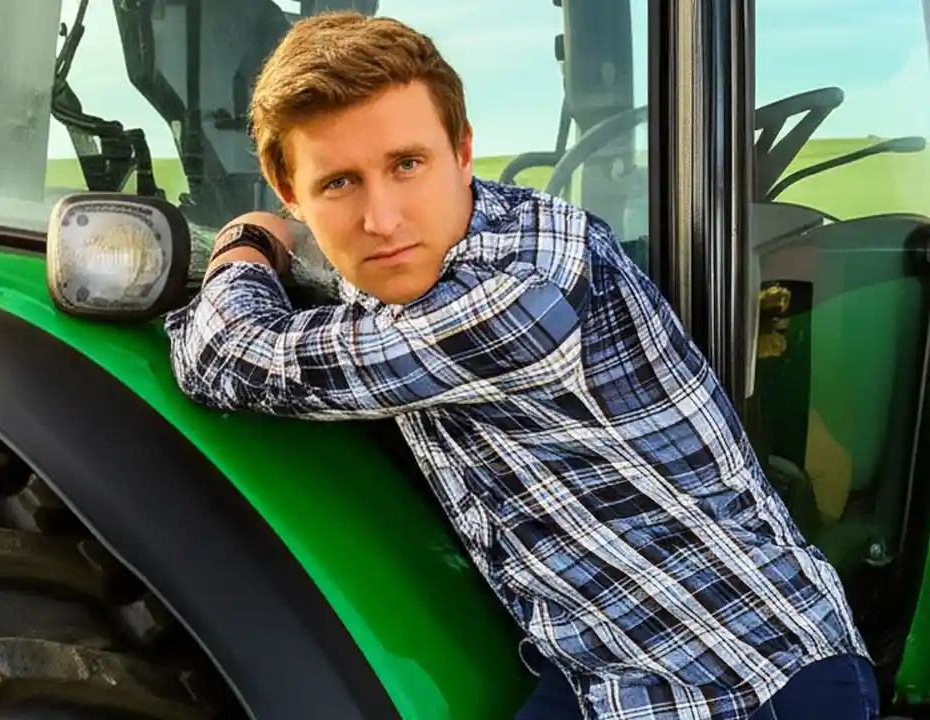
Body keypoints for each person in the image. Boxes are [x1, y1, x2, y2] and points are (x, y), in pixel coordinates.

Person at [163, 10, 877, 720]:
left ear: (463, 151)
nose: (382, 218)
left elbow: (226, 358)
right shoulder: (425, 255)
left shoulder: (522, 293)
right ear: (290, 189)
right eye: (339, 184)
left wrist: (246, 241)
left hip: (747, 681)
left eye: (407, 165)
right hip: (607, 667)